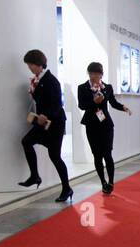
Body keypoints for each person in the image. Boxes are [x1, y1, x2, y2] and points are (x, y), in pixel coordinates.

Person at [20, 49, 72, 202]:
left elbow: (58, 104)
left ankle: (67, 188)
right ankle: (35, 176)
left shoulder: (51, 80)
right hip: (42, 122)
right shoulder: (36, 80)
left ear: (39, 64)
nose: (29, 67)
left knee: (54, 155)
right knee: (26, 141)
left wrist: (46, 115)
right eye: (28, 65)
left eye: (31, 64)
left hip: (55, 123)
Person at [77, 62, 130, 195]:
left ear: (101, 74)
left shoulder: (107, 87)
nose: (94, 76)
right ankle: (103, 182)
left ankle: (111, 182)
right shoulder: (82, 88)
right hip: (91, 124)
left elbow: (113, 102)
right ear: (88, 73)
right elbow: (81, 105)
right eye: (91, 73)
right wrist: (94, 102)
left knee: (107, 153)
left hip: (106, 124)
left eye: (97, 73)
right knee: (97, 155)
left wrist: (124, 107)